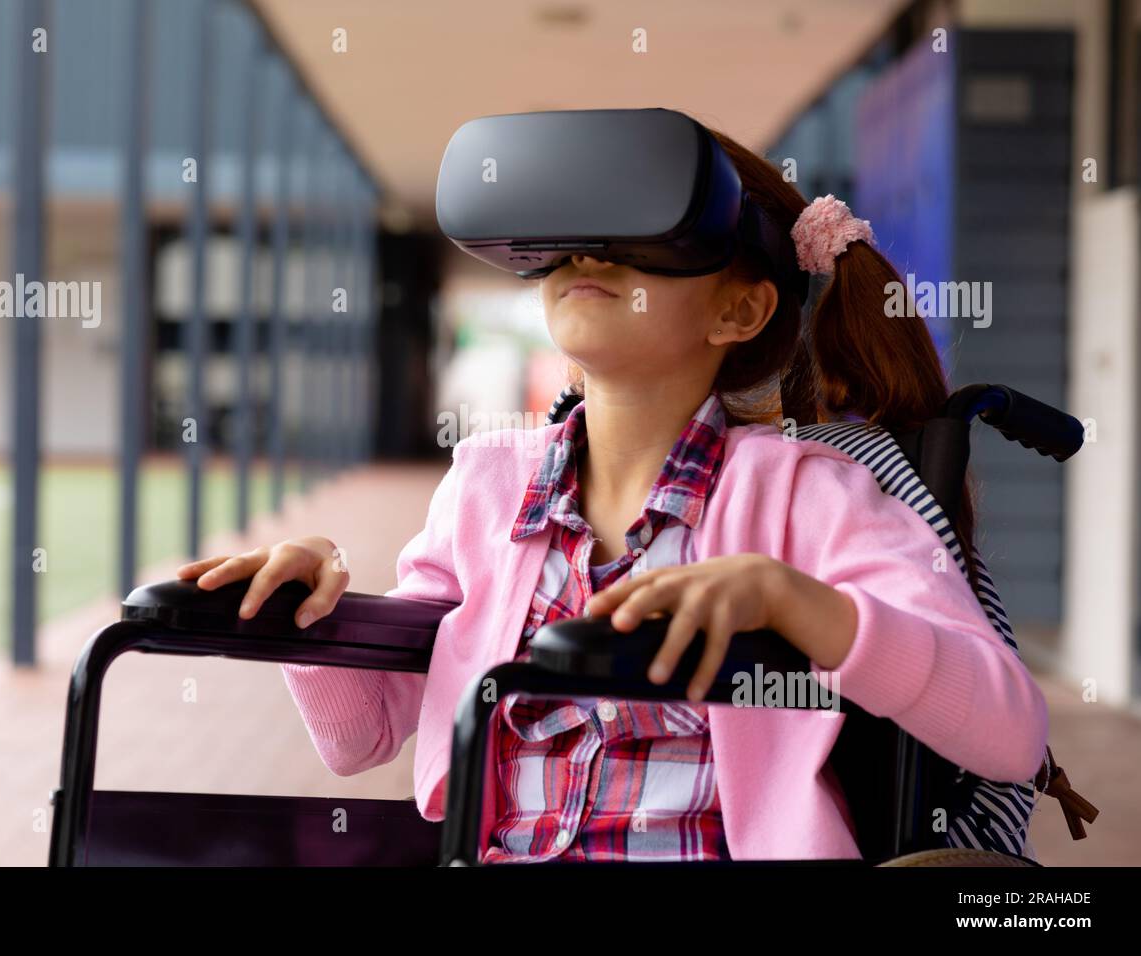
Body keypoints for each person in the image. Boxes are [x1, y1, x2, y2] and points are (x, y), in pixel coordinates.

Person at [177, 124, 1047, 862]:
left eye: (642, 238)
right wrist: (301, 609)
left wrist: (796, 601)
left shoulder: (812, 498)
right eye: (576, 232)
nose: (588, 253)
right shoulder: (485, 486)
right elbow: (356, 737)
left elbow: (1013, 732)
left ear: (737, 314)